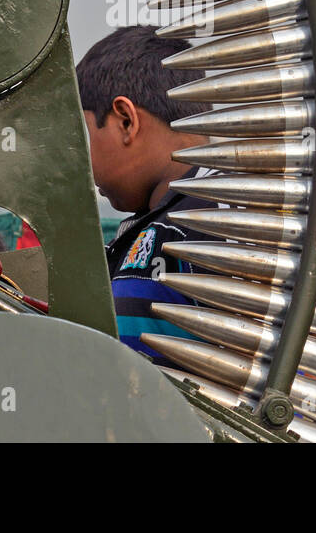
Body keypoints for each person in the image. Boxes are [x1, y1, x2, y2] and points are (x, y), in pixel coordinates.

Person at [75, 24, 217, 360]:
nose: (79, 158)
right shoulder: (185, 216)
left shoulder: (197, 225)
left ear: (125, 121)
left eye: (84, 134)